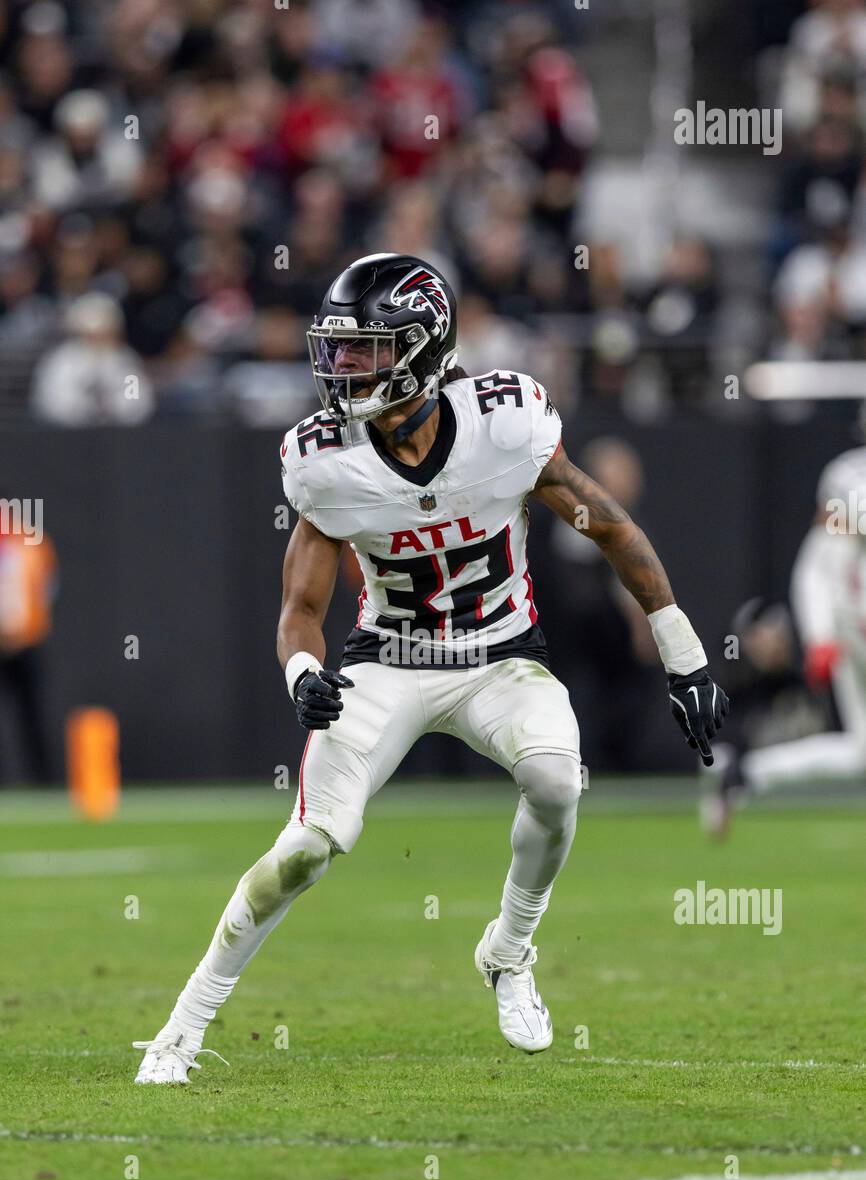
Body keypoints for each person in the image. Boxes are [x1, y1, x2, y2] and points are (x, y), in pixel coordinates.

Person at [134, 253, 729, 1084]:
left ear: (422, 348)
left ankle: (508, 950)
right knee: (308, 846)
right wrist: (302, 674)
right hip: (389, 661)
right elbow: (300, 610)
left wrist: (685, 658)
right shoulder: (324, 459)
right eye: (337, 350)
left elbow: (612, 529)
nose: (342, 369)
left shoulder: (505, 421)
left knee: (558, 782)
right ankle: (182, 1027)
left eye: (366, 350)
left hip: (501, 659)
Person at [703, 444, 866, 834]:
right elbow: (816, 564)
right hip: (855, 630)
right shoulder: (848, 474)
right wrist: (820, 636)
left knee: (862, 755)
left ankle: (744, 774)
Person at [0, 495, 57, 783]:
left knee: (32, 715)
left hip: (24, 641)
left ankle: (42, 782)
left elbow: (46, 585)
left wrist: (28, 627)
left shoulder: (30, 541)